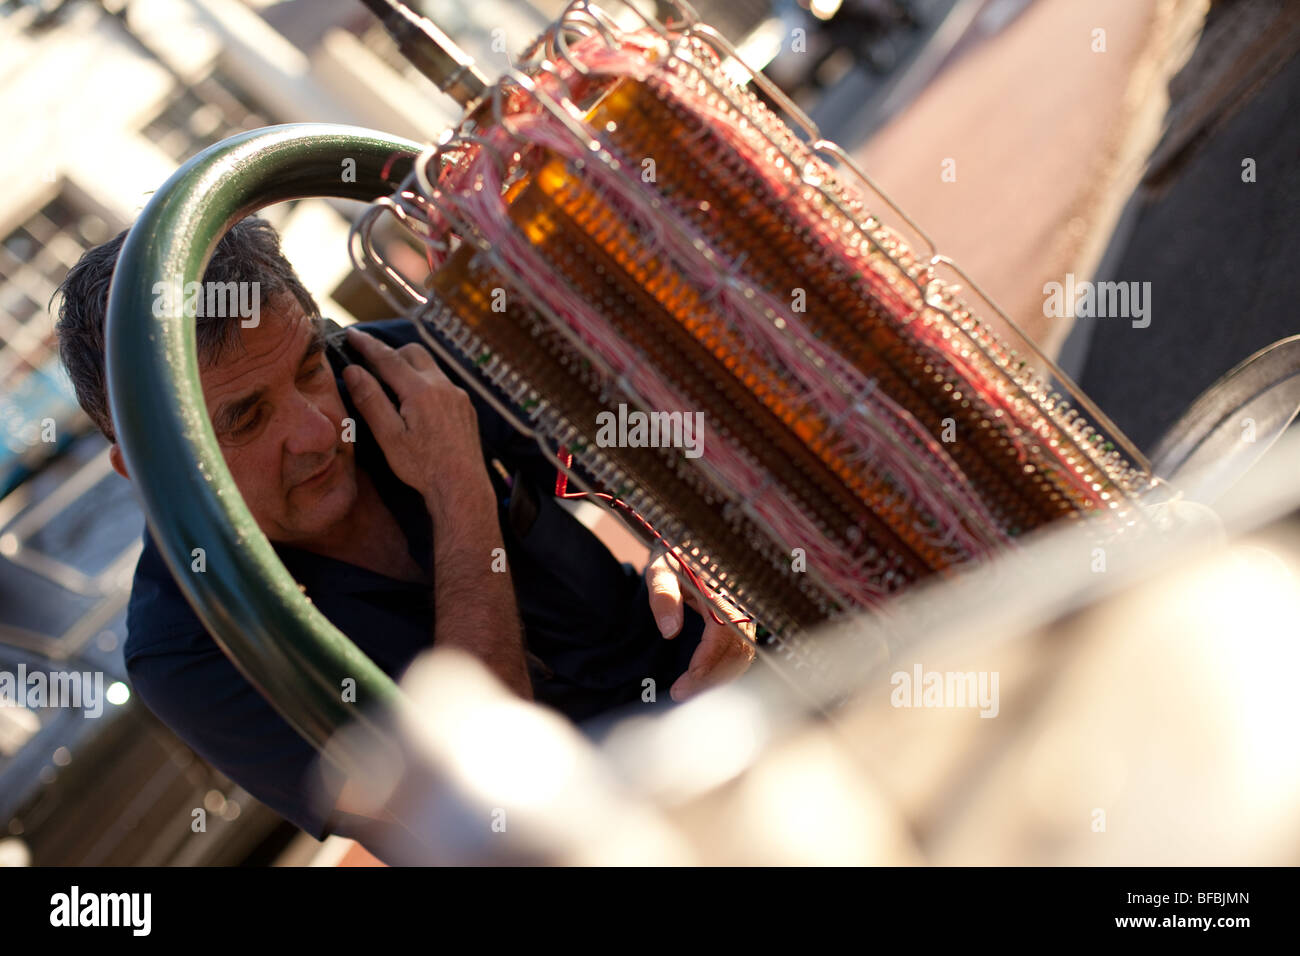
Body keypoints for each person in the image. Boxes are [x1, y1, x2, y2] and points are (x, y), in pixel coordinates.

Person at [53, 216, 756, 859]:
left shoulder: (404, 367)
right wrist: (460, 493)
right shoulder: (188, 649)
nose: (316, 430)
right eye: (246, 418)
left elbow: (641, 465)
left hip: (731, 712)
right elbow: (484, 804)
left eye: (307, 367)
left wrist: (695, 549)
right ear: (146, 470)